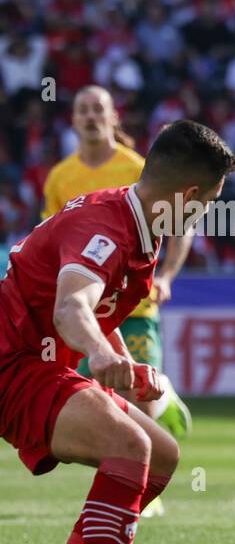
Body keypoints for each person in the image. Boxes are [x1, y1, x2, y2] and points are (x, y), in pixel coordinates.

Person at [10, 120, 235, 544]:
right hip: (13, 365)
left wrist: (128, 364)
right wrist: (101, 354)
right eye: (207, 205)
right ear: (187, 197)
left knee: (161, 453)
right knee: (129, 448)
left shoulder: (137, 226)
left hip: (39, 362)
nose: (204, 216)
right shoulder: (108, 228)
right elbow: (72, 306)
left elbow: (100, 306)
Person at [44, 86, 195, 520]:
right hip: (87, 302)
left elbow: (179, 225)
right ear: (73, 120)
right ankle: (146, 438)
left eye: (99, 110)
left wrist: (165, 275)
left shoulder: (136, 168)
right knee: (104, 395)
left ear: (114, 119)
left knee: (137, 393)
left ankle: (149, 474)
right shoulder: (60, 177)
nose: (91, 116)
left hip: (135, 302)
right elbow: (53, 236)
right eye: (83, 110)